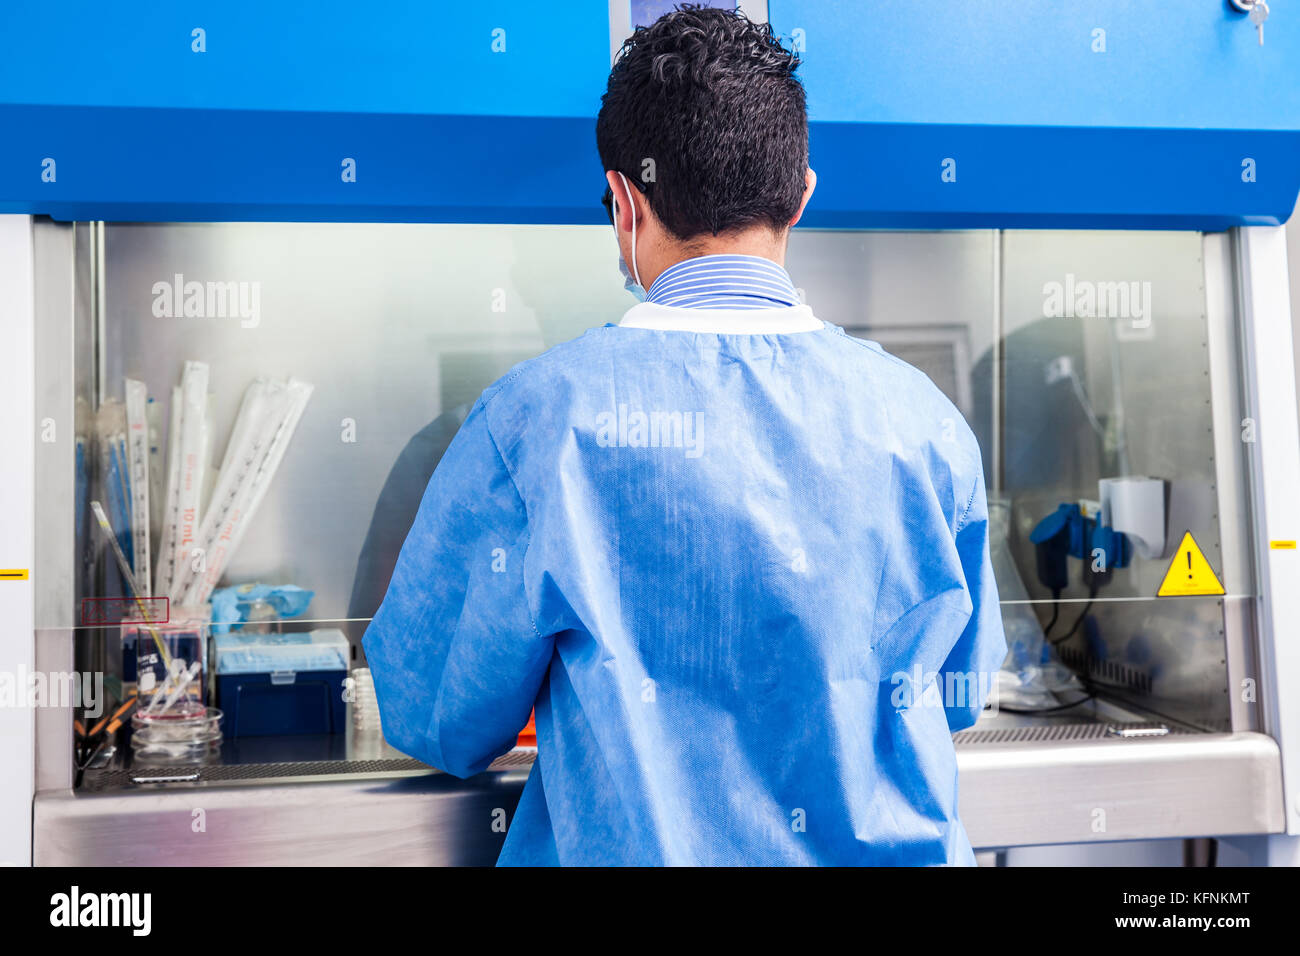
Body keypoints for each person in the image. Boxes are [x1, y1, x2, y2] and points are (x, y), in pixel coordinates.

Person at [362, 5, 1005, 866]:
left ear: (625, 202)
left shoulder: (536, 422)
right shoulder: (923, 421)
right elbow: (958, 694)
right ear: (803, 195)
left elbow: (435, 714)